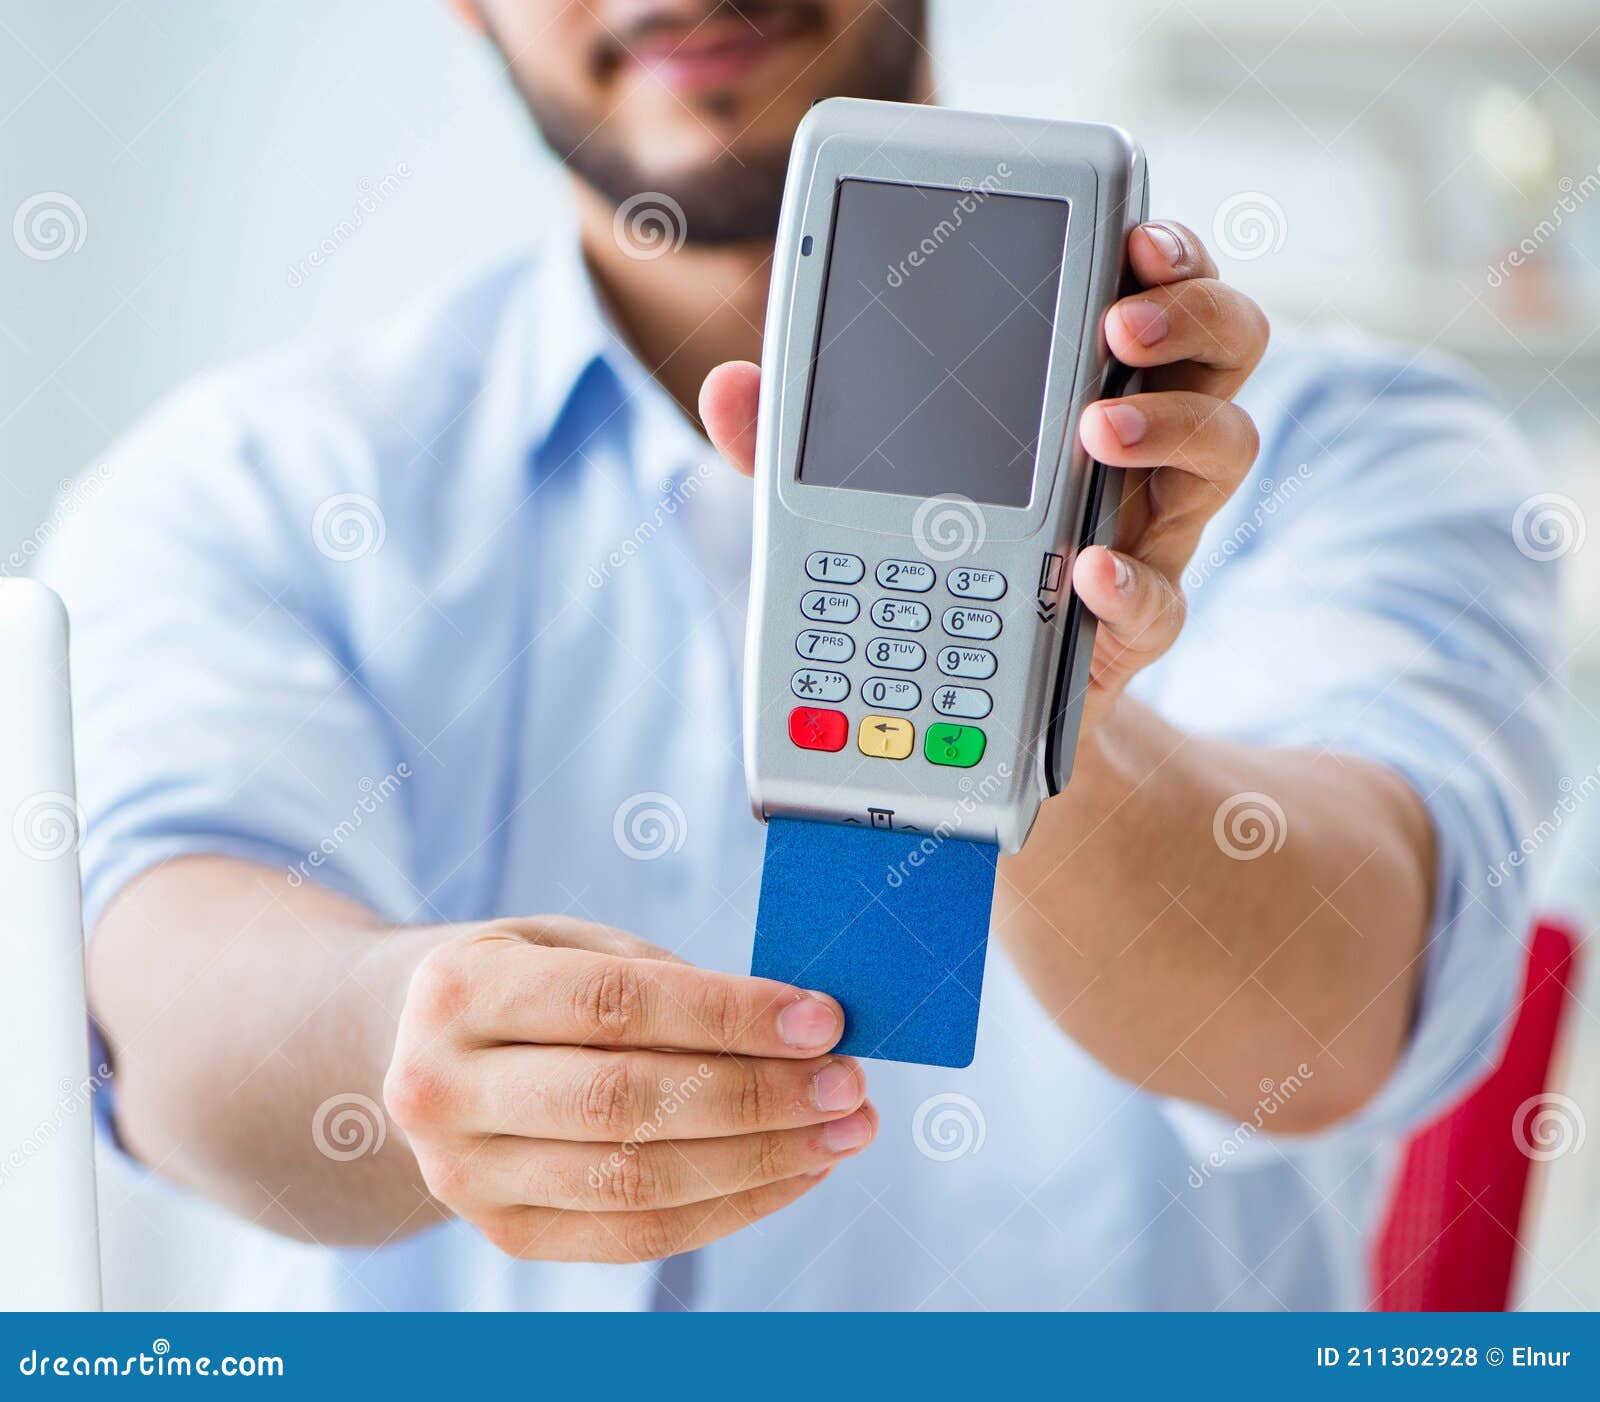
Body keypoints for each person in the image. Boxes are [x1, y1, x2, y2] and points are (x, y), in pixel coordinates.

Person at [39, 0, 1560, 1311]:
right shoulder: (247, 480)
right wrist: (399, 1039)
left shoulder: (1352, 451)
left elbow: (1339, 1012)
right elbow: (152, 978)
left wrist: (1036, 708)